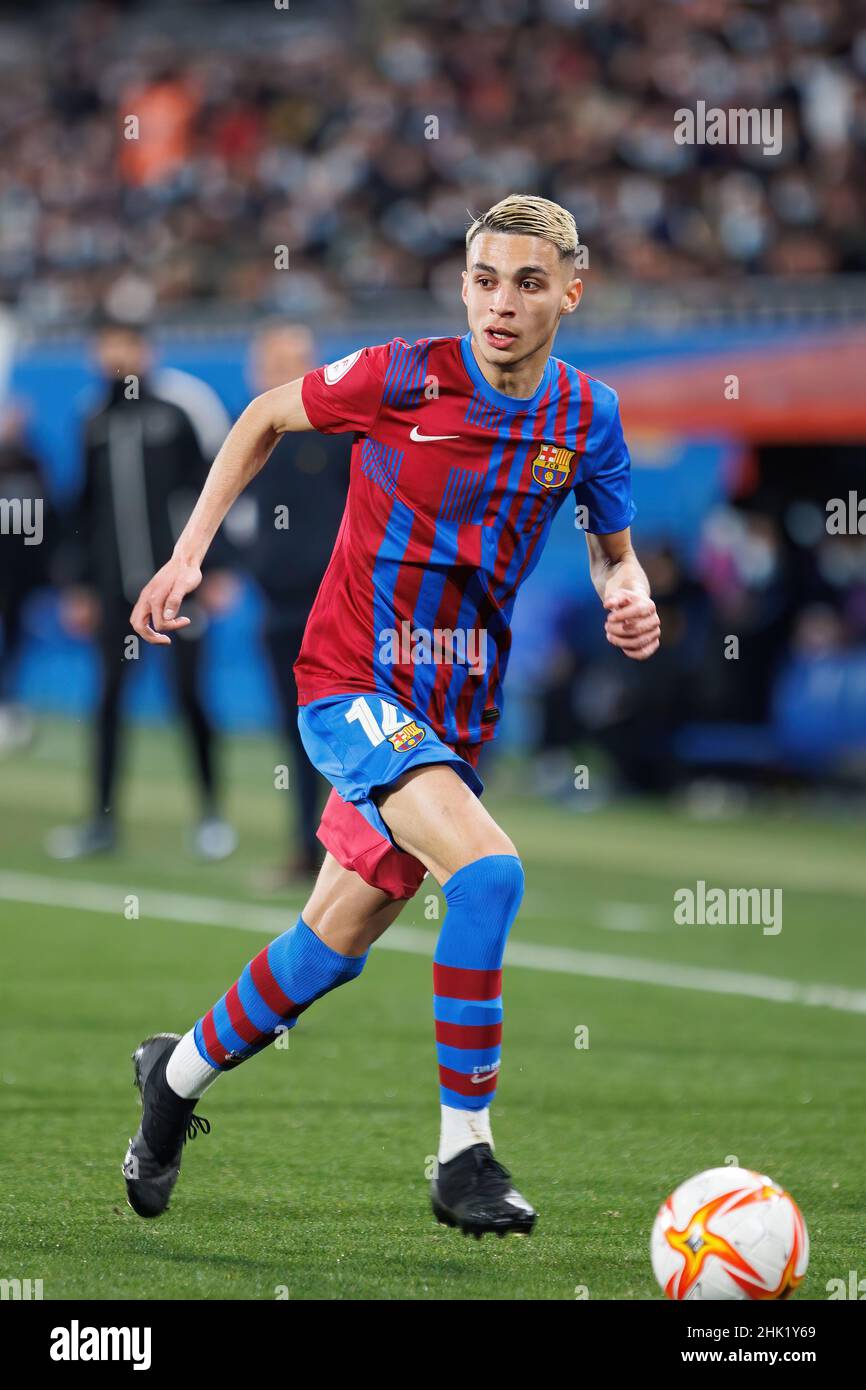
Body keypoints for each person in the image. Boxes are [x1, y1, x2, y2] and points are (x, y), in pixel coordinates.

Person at [123, 195, 661, 1237]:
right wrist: (187, 552)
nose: (499, 304)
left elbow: (613, 545)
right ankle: (464, 1153)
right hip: (352, 679)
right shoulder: (404, 373)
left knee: (333, 940)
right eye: (483, 280)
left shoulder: (585, 417)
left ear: (571, 291)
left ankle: (173, 1076)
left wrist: (624, 592)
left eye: (527, 283)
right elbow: (263, 415)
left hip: (457, 709)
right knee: (491, 873)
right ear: (463, 283)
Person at [49, 317, 238, 861]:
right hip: (114, 594)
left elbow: (215, 489)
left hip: (179, 591)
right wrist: (80, 584)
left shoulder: (182, 407)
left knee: (190, 699)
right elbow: (82, 508)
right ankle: (101, 823)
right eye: (105, 345)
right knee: (108, 702)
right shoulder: (94, 419)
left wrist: (217, 568)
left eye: (125, 344)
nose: (116, 356)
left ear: (145, 350)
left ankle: (210, 816)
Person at [243, 323, 350, 881]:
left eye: (289, 361)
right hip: (277, 606)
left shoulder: (337, 433)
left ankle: (358, 855)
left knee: (348, 733)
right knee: (296, 733)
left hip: (334, 610)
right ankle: (307, 851)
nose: (275, 373)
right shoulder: (256, 435)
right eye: (268, 361)